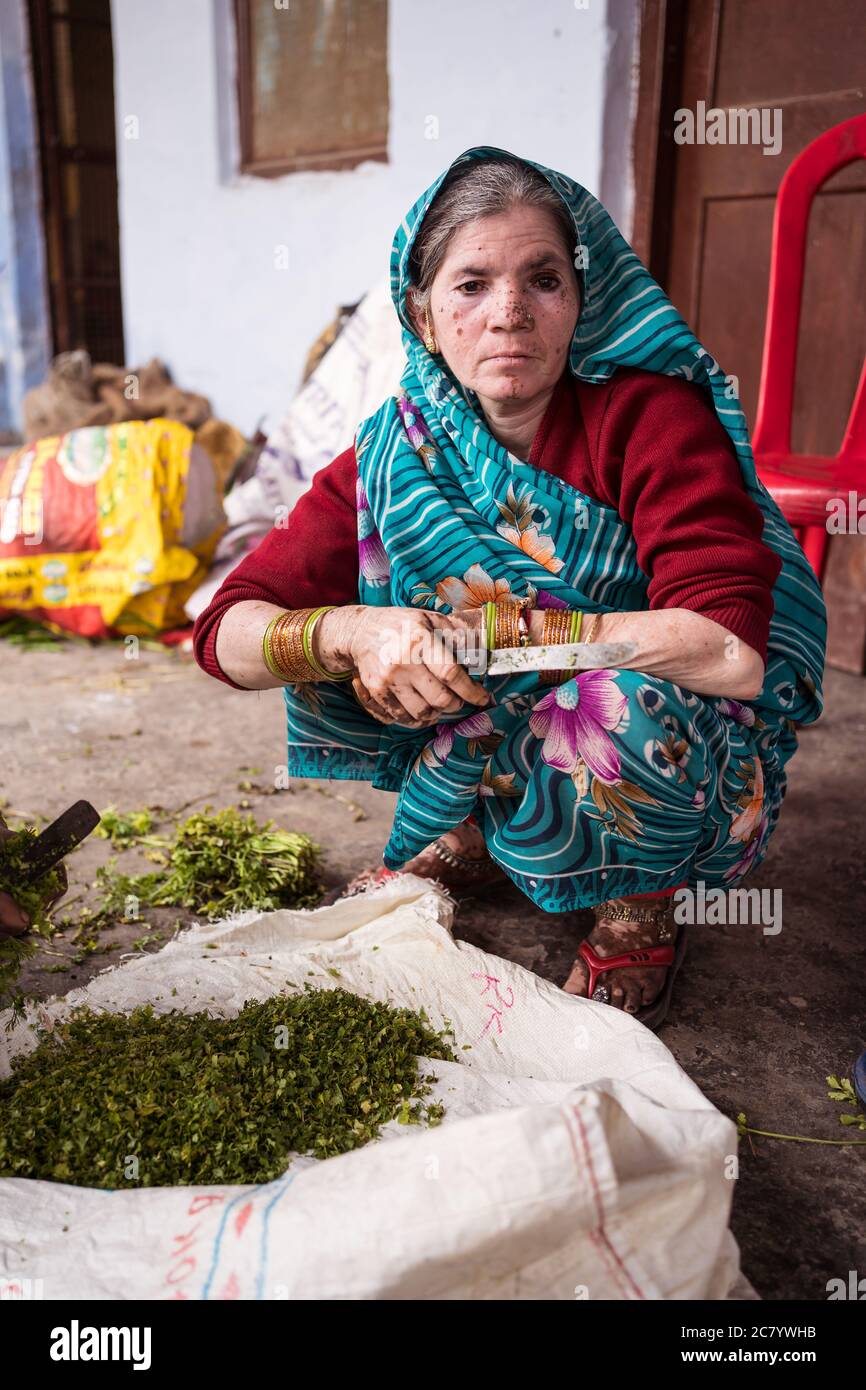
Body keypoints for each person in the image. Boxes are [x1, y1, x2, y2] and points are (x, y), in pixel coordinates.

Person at [193, 147, 826, 1028]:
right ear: (421, 313)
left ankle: (639, 900)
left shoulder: (647, 416)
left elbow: (728, 647)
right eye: (471, 285)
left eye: (543, 280)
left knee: (623, 704)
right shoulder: (395, 449)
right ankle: (471, 837)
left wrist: (513, 647)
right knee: (360, 633)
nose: (510, 315)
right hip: (484, 740)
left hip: (673, 760)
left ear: (581, 298)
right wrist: (356, 634)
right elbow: (225, 631)